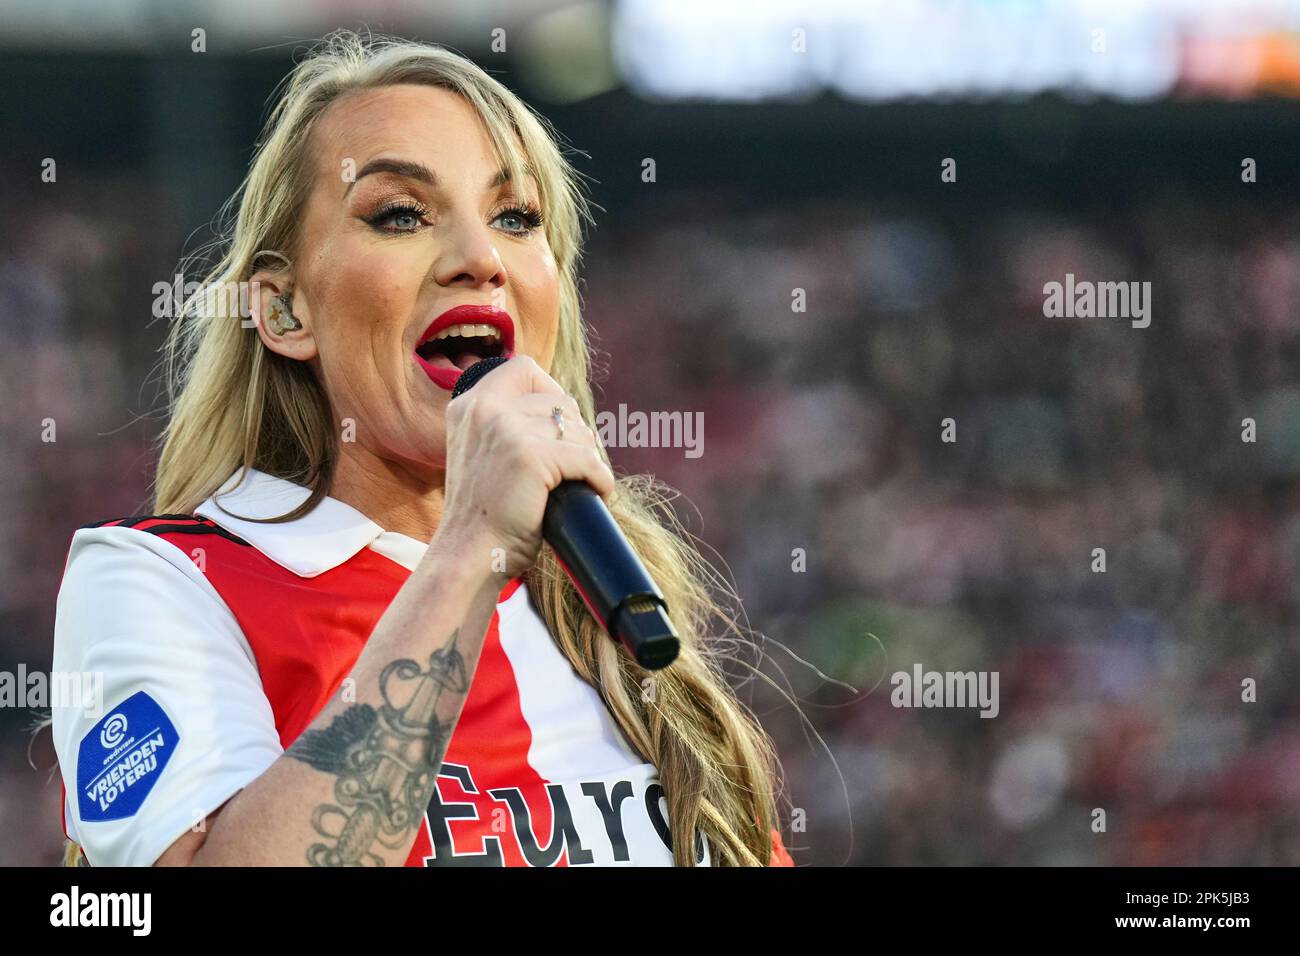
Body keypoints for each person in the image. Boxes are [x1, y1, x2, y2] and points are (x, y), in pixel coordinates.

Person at [51, 30, 792, 867]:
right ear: (286, 313)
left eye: (515, 218)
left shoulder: (610, 600)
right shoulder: (162, 582)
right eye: (400, 214)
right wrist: (469, 551)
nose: (480, 259)